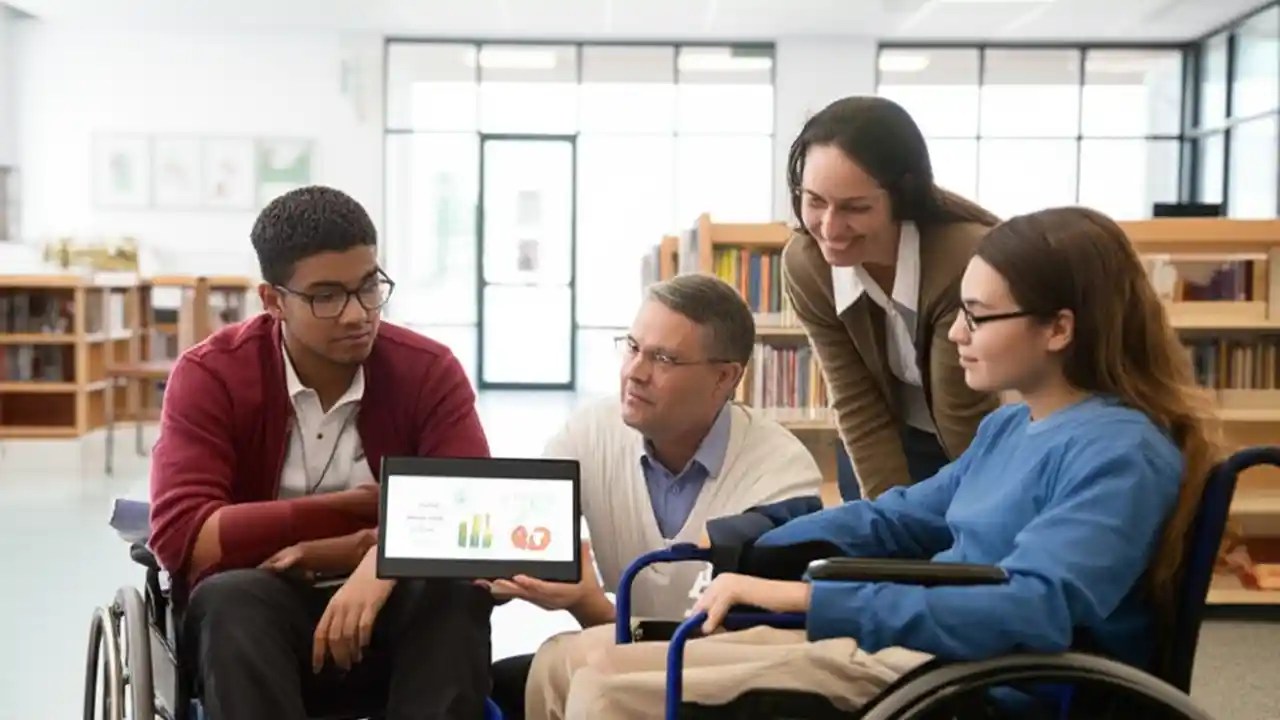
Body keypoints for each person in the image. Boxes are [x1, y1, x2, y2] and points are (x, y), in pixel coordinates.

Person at [526, 206, 1223, 719]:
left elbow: (1033, 609)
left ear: (1059, 328)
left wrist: (805, 597)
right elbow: (895, 520)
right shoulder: (1015, 427)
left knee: (606, 689)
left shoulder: (1121, 455)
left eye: (978, 317)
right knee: (565, 662)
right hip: (921, 649)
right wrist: (740, 546)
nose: (954, 333)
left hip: (976, 680)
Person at [148, 186, 494, 720]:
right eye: (326, 296)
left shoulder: (427, 370)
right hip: (263, 613)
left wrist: (371, 558)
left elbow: (472, 516)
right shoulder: (212, 375)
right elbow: (184, 538)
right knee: (228, 599)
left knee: (452, 593)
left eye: (369, 287)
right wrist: (362, 510)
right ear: (272, 300)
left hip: (391, 615)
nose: (358, 314)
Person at [490, 274, 825, 719]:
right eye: (632, 347)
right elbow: (515, 529)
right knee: (495, 681)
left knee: (576, 673)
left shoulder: (779, 472)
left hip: (733, 683)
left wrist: (589, 605)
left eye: (663, 359)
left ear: (725, 377)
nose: (634, 372)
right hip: (626, 650)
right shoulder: (589, 434)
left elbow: (724, 651)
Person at [782, 95, 1004, 500]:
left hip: (979, 443)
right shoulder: (807, 265)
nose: (829, 228)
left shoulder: (963, 258)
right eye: (814, 201)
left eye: (855, 207)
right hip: (889, 438)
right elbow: (855, 401)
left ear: (902, 196)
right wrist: (888, 524)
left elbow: (964, 419)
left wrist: (980, 522)